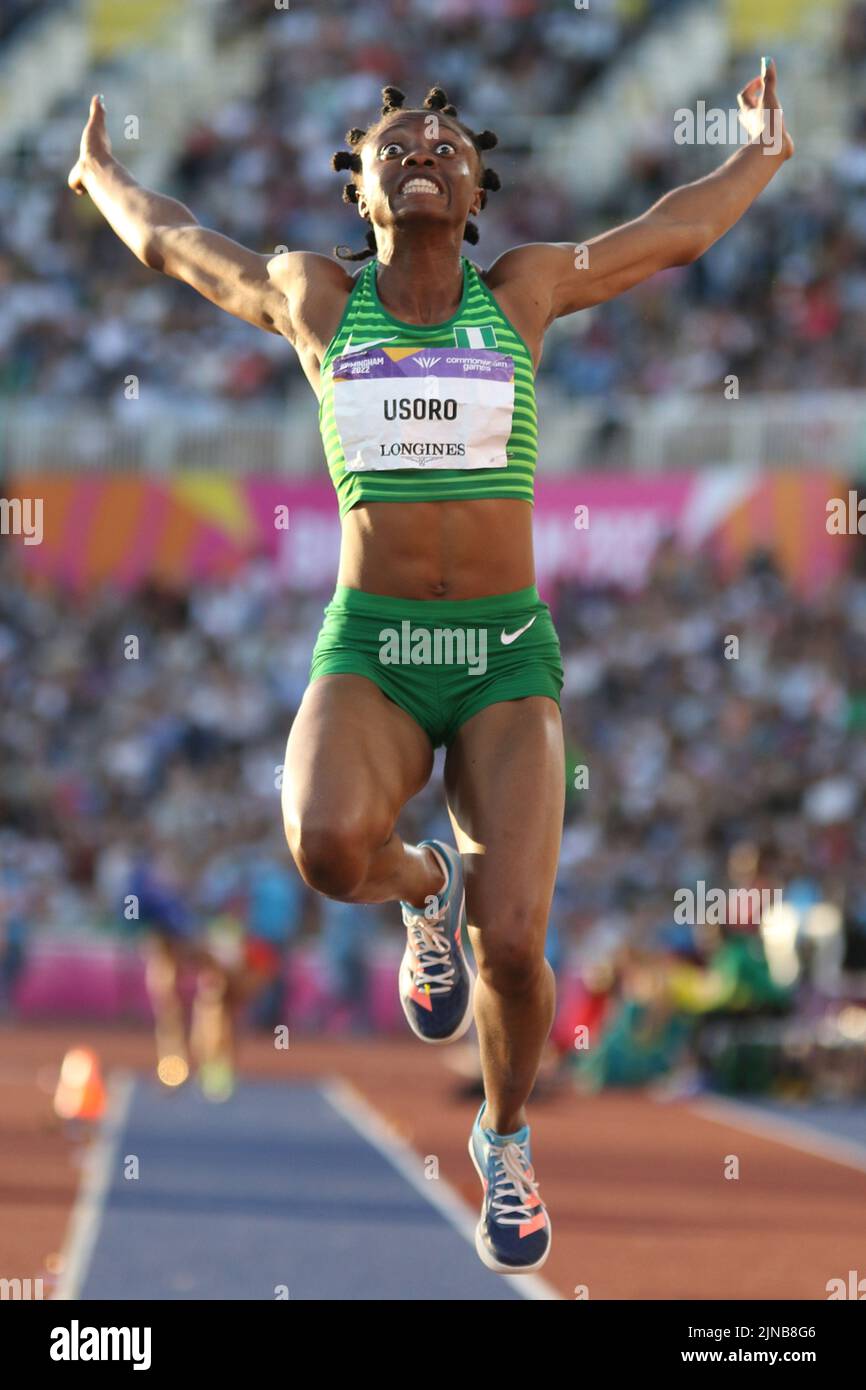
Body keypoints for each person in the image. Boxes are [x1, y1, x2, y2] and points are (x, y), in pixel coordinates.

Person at [68, 66, 793, 1272]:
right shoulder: (316, 299)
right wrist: (98, 173)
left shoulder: (523, 291)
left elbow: (669, 234)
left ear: (475, 194)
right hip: (377, 649)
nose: (422, 146)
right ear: (355, 188)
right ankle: (418, 891)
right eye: (393, 139)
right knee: (321, 844)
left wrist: (759, 154)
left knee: (517, 942)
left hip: (504, 654)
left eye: (445, 140)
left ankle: (502, 1139)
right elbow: (179, 247)